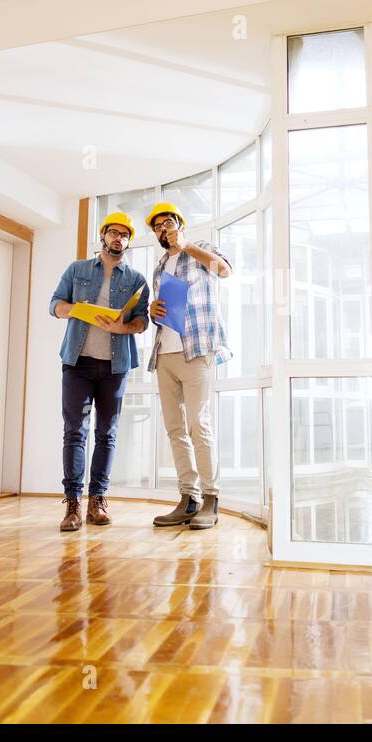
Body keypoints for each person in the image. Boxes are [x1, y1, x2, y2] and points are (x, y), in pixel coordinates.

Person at [49, 211, 149, 532]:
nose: (118, 238)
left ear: (128, 242)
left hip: (114, 367)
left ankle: (97, 500)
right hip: (77, 363)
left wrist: (125, 327)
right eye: (114, 233)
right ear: (103, 235)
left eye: (124, 235)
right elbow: (54, 304)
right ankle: (73, 505)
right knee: (74, 432)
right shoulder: (77, 269)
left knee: (107, 433)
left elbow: (143, 321)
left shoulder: (136, 280)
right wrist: (75, 309)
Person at [144, 201, 232, 530]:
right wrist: (154, 312)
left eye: (168, 223)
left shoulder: (201, 250)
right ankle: (188, 498)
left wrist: (189, 247)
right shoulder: (159, 266)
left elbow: (224, 270)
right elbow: (161, 312)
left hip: (196, 350)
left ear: (181, 225)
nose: (163, 230)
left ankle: (211, 498)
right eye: (157, 227)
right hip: (164, 353)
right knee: (175, 429)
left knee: (199, 423)